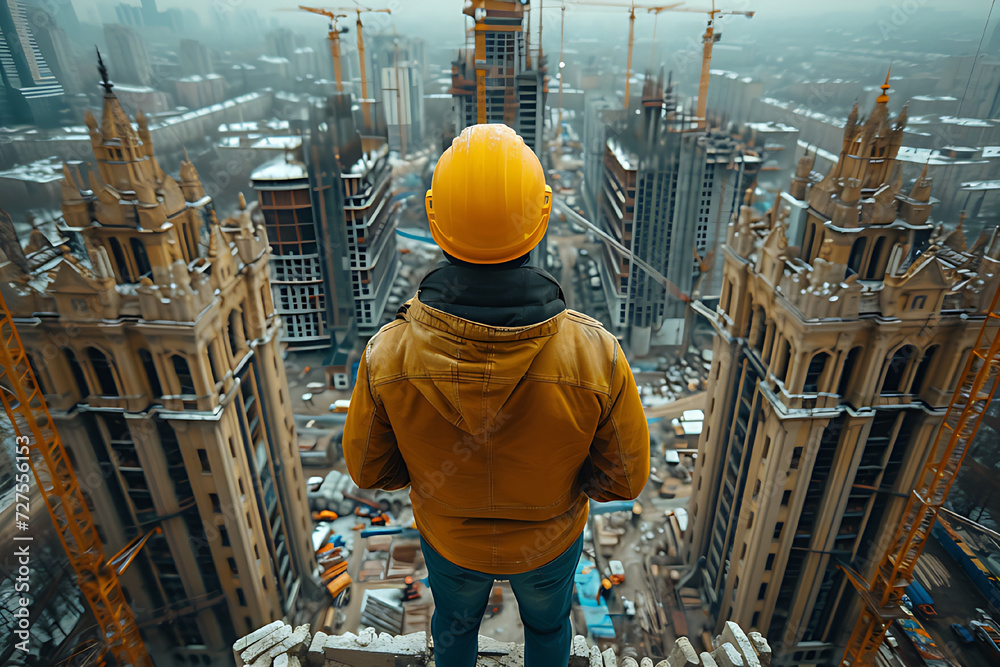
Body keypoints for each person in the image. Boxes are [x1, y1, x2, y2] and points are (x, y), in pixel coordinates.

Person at [343, 124, 649, 667]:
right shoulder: (594, 353)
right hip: (548, 544)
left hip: (451, 541)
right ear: (542, 215)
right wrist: (560, 489)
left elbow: (370, 471)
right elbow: (624, 477)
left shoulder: (388, 355)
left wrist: (432, 477)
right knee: (548, 624)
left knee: (455, 630)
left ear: (435, 220)